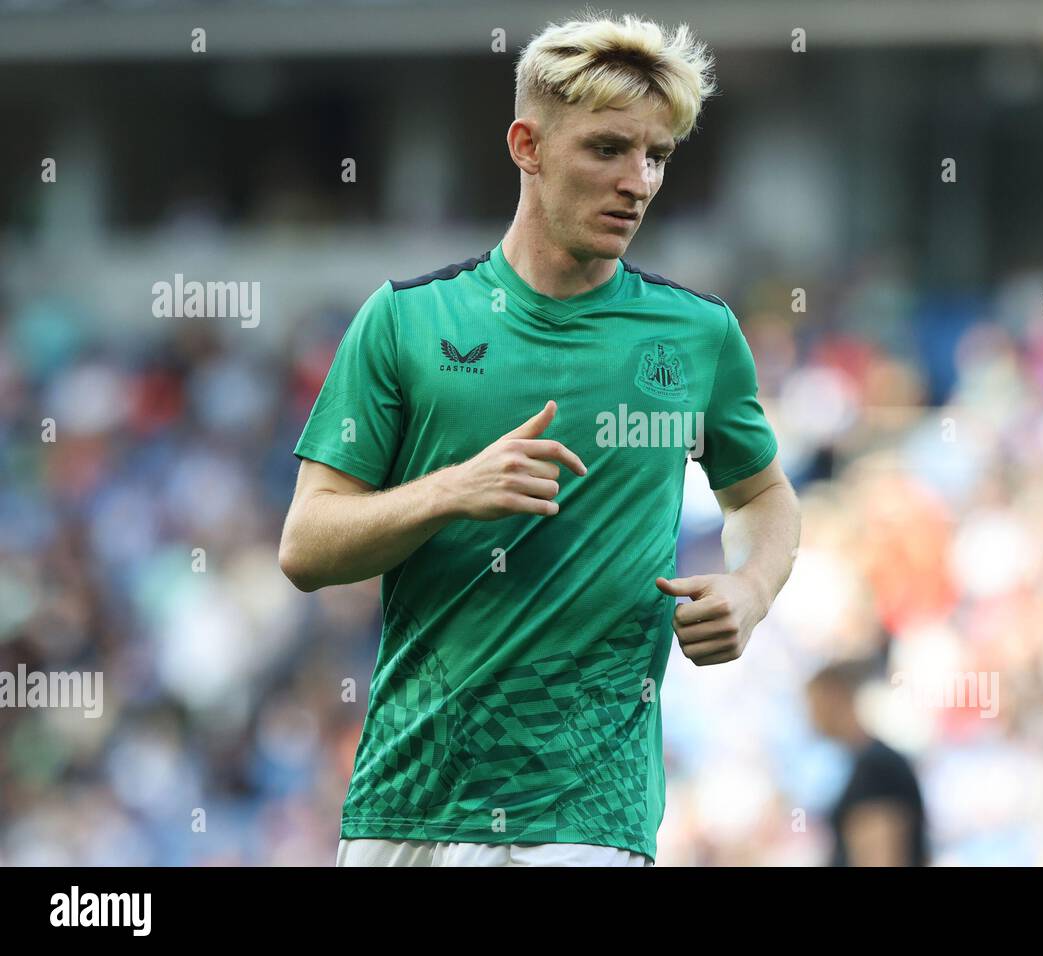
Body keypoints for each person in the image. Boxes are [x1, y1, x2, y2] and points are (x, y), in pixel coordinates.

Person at [278, 12, 801, 867]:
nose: (638, 181)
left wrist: (752, 588)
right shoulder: (407, 321)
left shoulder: (698, 333)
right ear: (526, 145)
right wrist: (453, 488)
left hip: (587, 815)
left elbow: (762, 495)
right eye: (607, 149)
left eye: (657, 156)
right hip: (410, 801)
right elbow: (306, 547)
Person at [805, 660, 929, 866]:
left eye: (814, 704)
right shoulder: (869, 762)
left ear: (834, 697)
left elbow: (880, 858)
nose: (811, 717)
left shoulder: (875, 766)